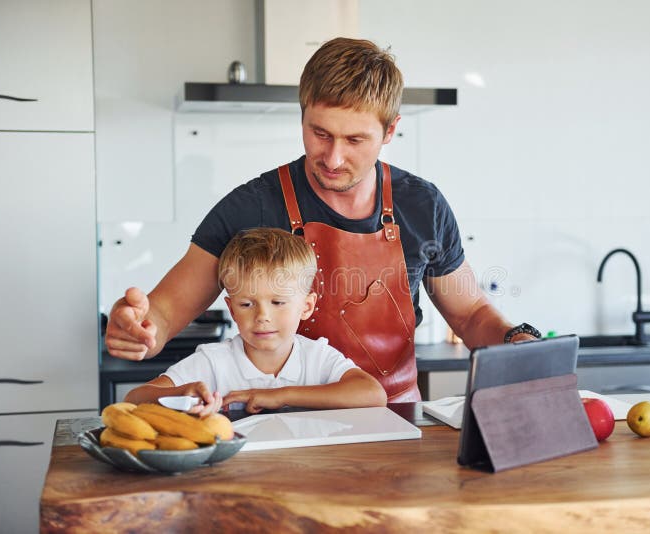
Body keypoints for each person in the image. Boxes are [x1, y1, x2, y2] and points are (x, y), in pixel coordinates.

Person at [106, 37, 539, 402]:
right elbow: (162, 313)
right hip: (281, 430)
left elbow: (470, 313)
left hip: (395, 424)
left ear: (390, 131)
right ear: (303, 115)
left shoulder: (423, 206)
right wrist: (138, 327)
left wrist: (514, 339)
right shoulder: (249, 208)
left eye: (355, 140)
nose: (332, 158)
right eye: (320, 133)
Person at [124, 228, 387, 414]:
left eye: (278, 303)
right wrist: (179, 394)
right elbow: (134, 398)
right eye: (246, 304)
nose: (262, 317)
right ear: (231, 309)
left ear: (306, 306)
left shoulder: (317, 356)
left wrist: (278, 396)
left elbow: (373, 394)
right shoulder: (213, 361)